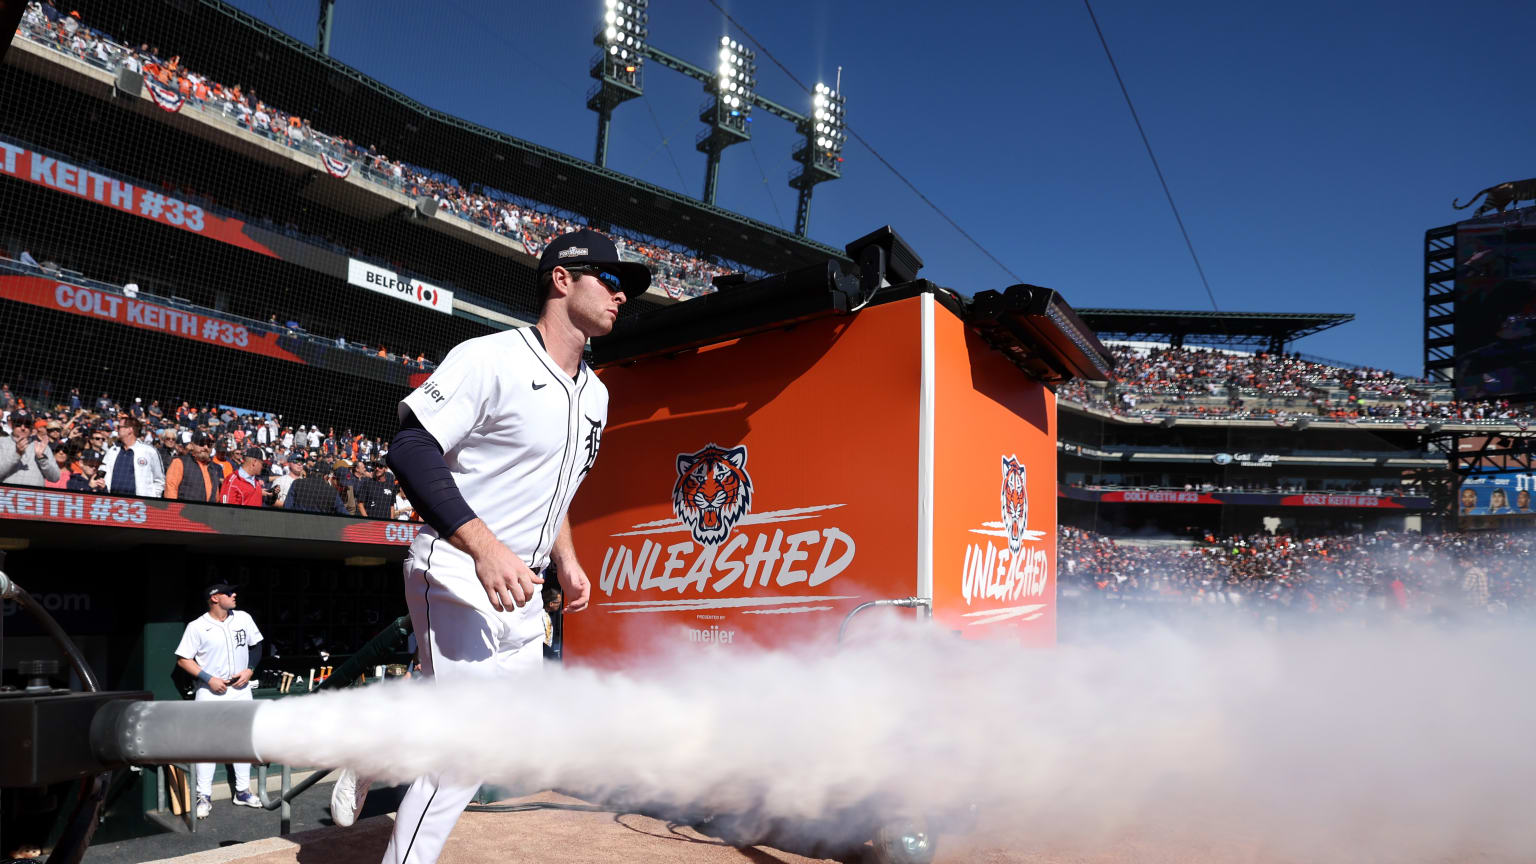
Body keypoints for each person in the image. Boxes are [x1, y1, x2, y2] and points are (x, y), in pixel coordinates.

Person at [329, 229, 643, 860]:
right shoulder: (490, 357)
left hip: (522, 586)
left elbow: (550, 488)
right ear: (562, 280)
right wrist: (483, 547)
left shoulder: (599, 395)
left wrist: (568, 559)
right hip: (454, 567)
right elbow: (410, 447)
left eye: (626, 288)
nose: (622, 296)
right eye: (610, 281)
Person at [174, 583, 265, 819]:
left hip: (240, 686)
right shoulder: (198, 626)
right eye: (229, 593)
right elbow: (183, 660)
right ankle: (203, 795)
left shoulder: (243, 617)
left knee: (243, 739)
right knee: (209, 743)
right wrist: (208, 678)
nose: (235, 595)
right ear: (215, 598)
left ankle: (242, 791)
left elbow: (256, 646)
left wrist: (250, 670)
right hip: (210, 689)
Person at [101, 415, 165, 497]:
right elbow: (103, 470)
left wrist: (153, 498)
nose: (116, 429)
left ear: (130, 430)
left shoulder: (149, 451)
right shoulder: (113, 450)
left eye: (119, 427)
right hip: (112, 500)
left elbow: (159, 479)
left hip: (140, 504)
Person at [0, 412, 60, 487]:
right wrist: (17, 454)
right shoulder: (2, 442)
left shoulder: (41, 446)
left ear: (32, 427)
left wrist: (42, 458)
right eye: (18, 423)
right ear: (11, 424)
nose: (23, 427)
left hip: (33, 497)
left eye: (27, 424)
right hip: (6, 496)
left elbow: (55, 478)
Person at [165, 433, 224, 502]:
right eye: (201, 443)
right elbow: (170, 489)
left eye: (209, 444)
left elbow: (216, 496)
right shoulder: (180, 462)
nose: (205, 447)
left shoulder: (214, 467)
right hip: (185, 510)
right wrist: (173, 510)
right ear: (191, 445)